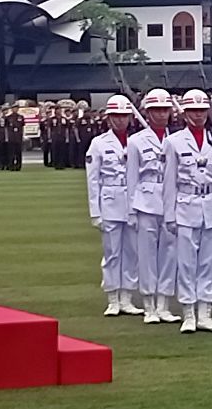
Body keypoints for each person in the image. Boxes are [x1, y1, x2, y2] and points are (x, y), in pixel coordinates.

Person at [162, 89, 212, 333]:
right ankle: (188, 313)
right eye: (193, 111)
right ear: (185, 113)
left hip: (210, 203)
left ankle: (205, 313)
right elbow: (168, 182)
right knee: (187, 262)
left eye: (201, 111)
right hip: (186, 203)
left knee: (209, 262)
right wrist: (169, 215)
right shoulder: (174, 141)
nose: (198, 116)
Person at [126, 89, 181, 324]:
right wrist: (131, 211)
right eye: (155, 110)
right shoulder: (136, 141)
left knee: (169, 254)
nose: (160, 115)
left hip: (172, 201)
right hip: (146, 202)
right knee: (147, 256)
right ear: (147, 113)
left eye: (164, 110)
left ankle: (164, 304)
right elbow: (131, 179)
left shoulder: (178, 139)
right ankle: (149, 305)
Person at [86, 95, 142, 318]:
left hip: (133, 201)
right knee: (112, 253)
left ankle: (127, 297)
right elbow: (92, 179)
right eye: (115, 116)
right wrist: (95, 212)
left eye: (124, 116)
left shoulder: (137, 141)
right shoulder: (99, 143)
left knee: (132, 253)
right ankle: (112, 297)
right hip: (110, 200)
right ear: (108, 119)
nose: (120, 120)